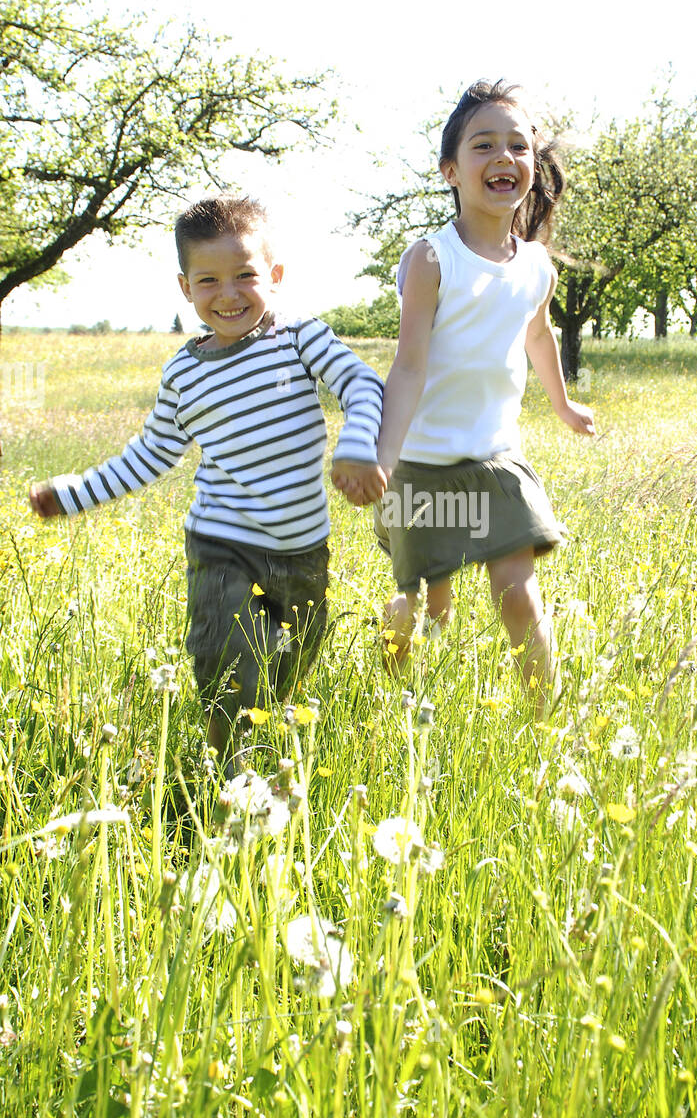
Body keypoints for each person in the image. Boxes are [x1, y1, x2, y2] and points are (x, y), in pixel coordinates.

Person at [29, 195, 386, 759]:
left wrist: (358, 447)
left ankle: (269, 741)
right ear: (185, 287)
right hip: (221, 541)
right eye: (208, 280)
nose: (228, 294)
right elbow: (148, 455)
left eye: (245, 275)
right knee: (224, 659)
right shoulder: (183, 372)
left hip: (301, 547)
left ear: (274, 275)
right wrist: (71, 494)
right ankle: (229, 771)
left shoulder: (299, 337)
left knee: (296, 655)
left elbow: (364, 386)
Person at [374, 80, 596, 714]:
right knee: (423, 604)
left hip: (497, 458)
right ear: (451, 171)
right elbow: (409, 365)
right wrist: (382, 454)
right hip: (421, 462)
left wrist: (562, 406)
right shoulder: (431, 259)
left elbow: (538, 335)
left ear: (532, 164)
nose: (504, 156)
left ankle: (544, 721)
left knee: (518, 592)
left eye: (517, 145)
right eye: (483, 145)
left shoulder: (537, 266)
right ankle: (399, 701)